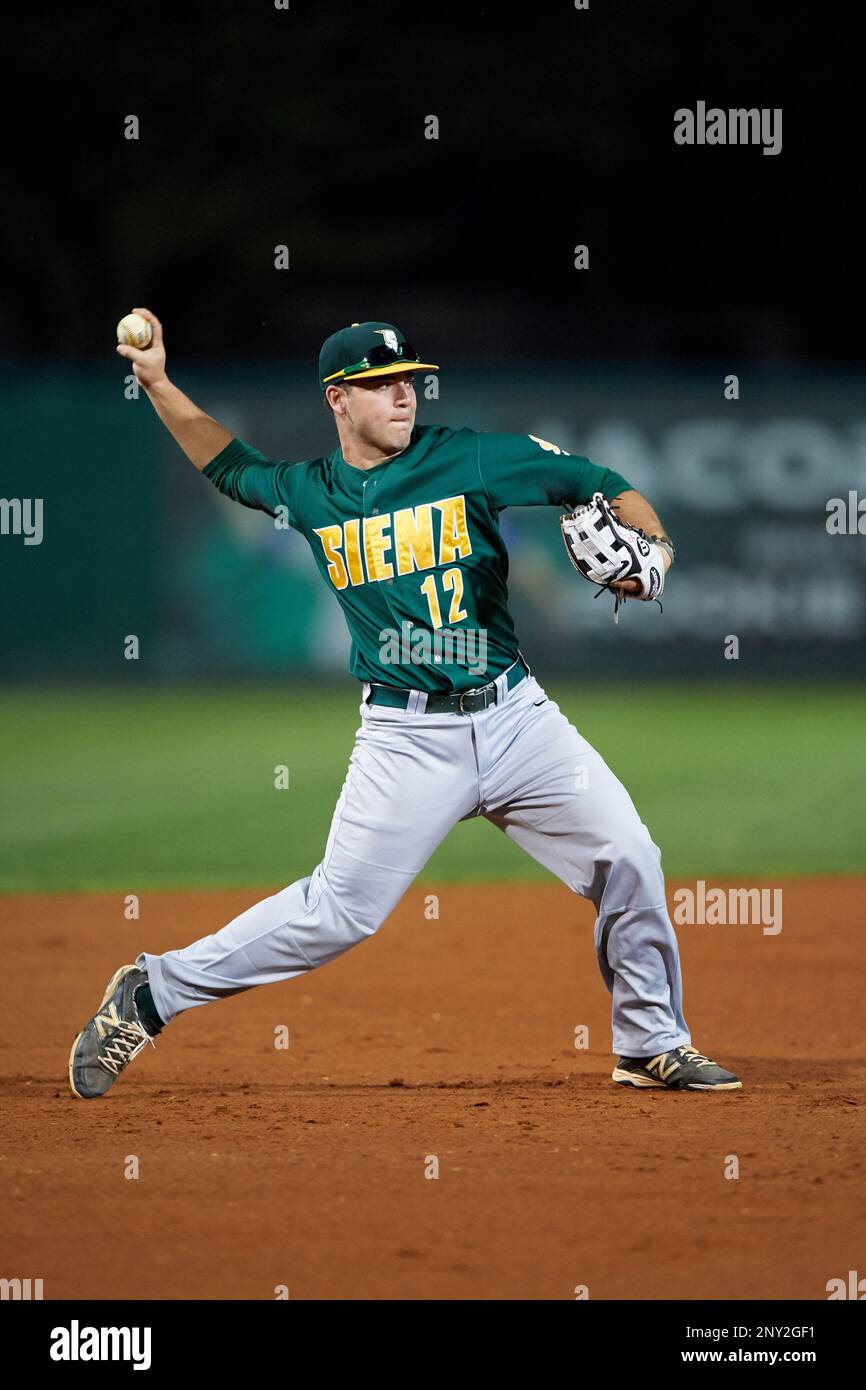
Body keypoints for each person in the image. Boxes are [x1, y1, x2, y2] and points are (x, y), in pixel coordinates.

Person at [68, 312, 742, 1099]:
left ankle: (651, 1044)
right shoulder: (310, 492)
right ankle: (151, 993)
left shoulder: (469, 456)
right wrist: (156, 382)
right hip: (406, 739)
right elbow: (228, 464)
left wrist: (657, 553)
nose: (403, 396)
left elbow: (599, 482)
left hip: (518, 719)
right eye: (380, 385)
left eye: (409, 382)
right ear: (337, 400)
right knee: (336, 914)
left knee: (629, 855)